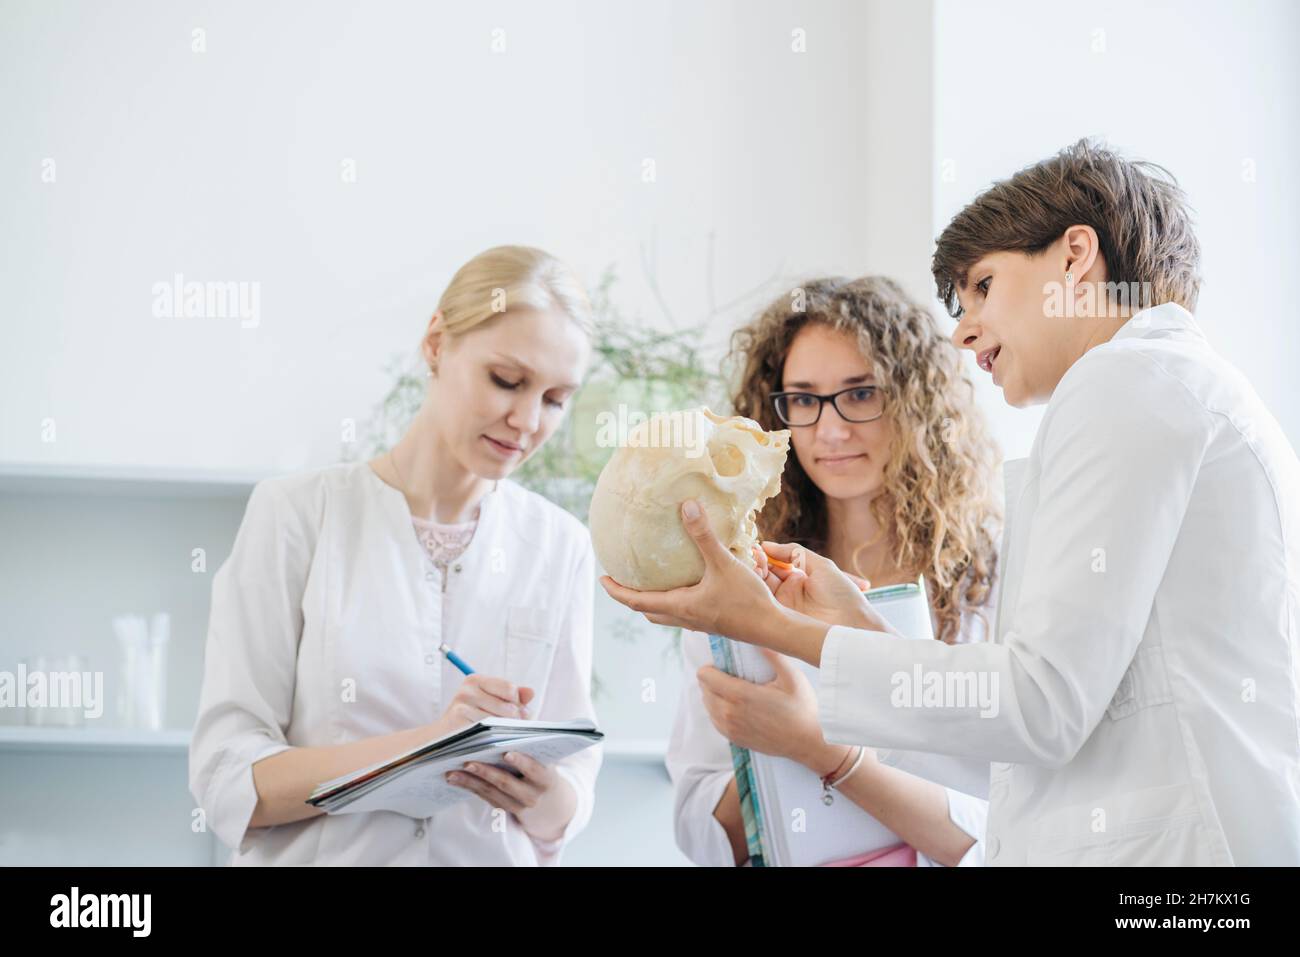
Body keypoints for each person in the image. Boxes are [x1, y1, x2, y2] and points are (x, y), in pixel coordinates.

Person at [604, 140, 1300, 865]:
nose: (964, 331)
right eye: (805, 401)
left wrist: (777, 629)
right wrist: (859, 626)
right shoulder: (1168, 386)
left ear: (1075, 257)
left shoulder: (1127, 381)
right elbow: (1017, 738)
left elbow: (1038, 707)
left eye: (984, 287)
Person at [190, 245, 602, 865]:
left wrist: (545, 798)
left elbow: (569, 797)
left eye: (554, 399)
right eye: (506, 381)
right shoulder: (298, 515)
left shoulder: (560, 545)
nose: (526, 420)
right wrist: (427, 749)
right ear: (436, 343)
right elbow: (230, 780)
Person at [666, 276, 999, 866]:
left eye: (861, 394)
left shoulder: (989, 578)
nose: (830, 430)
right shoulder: (744, 580)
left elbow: (993, 836)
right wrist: (757, 746)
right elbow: (703, 836)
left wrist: (818, 747)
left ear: (913, 401)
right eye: (803, 399)